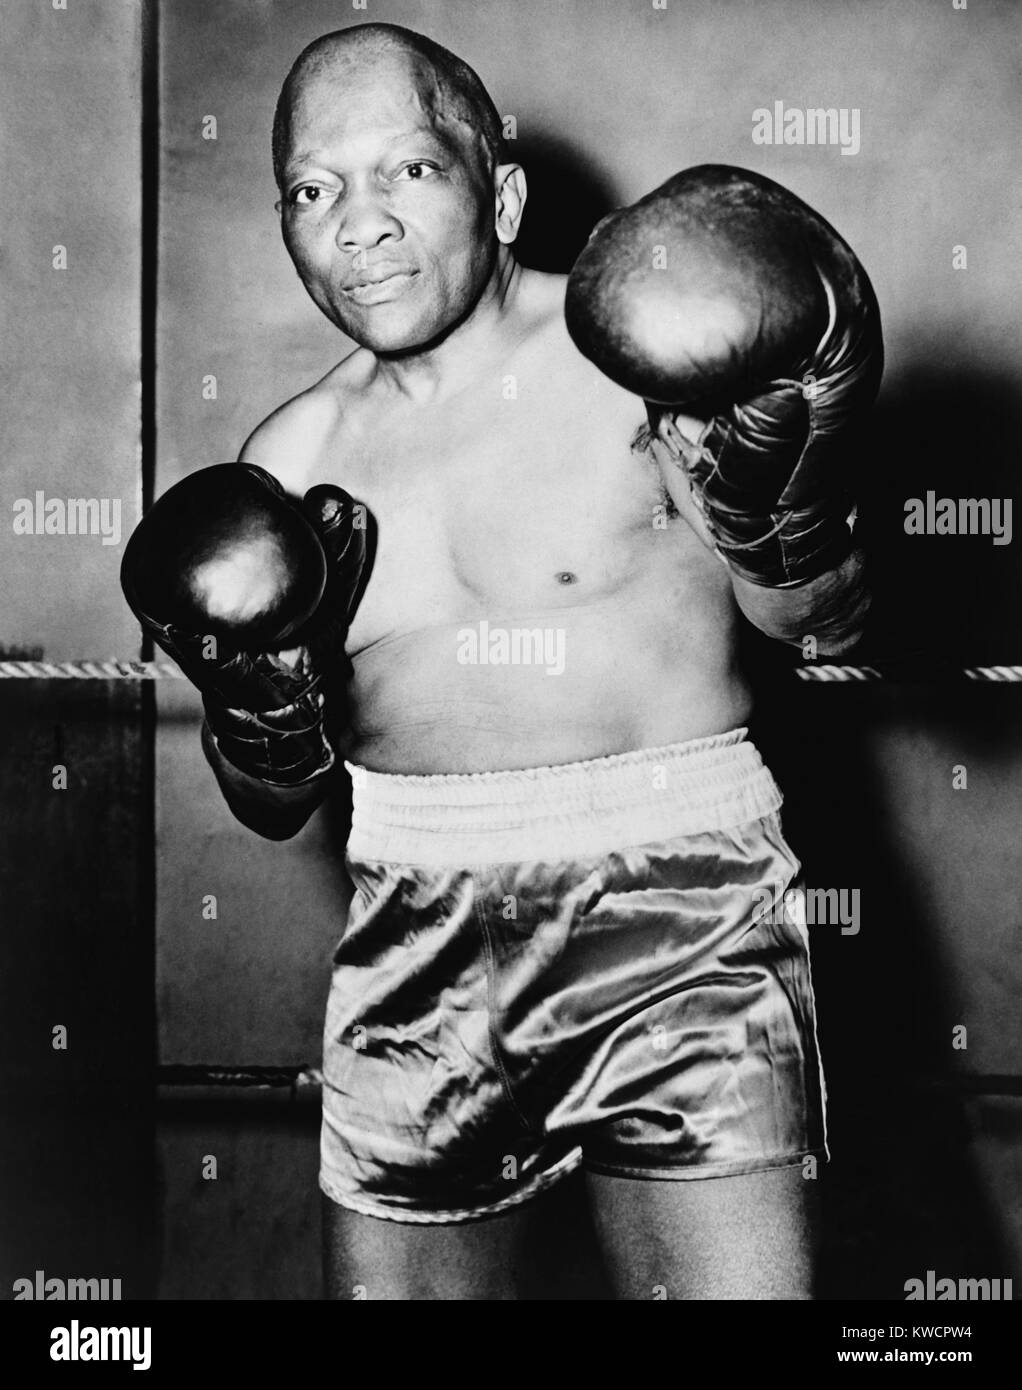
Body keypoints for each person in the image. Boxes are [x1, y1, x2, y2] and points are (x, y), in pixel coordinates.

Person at [123, 21, 882, 1299]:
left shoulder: (630, 366)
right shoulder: (291, 459)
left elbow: (817, 615)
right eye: (315, 190)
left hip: (679, 911)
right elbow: (274, 807)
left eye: (404, 172)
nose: (358, 224)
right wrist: (261, 719)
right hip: (417, 932)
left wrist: (777, 505)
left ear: (503, 193)